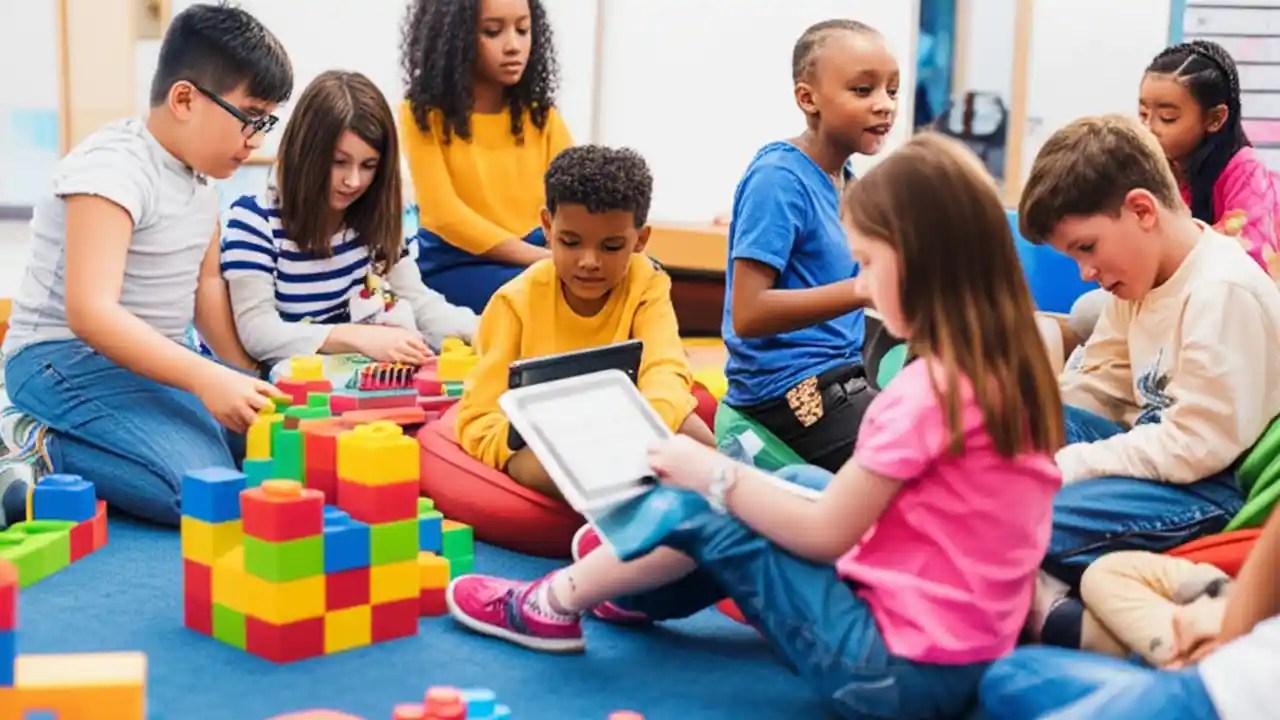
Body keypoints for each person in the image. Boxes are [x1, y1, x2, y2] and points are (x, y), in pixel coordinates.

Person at [446, 134, 1065, 719]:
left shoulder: (925, 393)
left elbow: (825, 535)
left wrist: (714, 476)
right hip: (966, 656)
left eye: (869, 264)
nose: (862, 288)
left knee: (713, 504)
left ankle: (549, 603)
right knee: (793, 478)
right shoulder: (1009, 362)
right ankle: (633, 586)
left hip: (890, 674)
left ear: (920, 264)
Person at [0, 3, 292, 525]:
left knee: (266, 443)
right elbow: (91, 314)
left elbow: (203, 285)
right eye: (250, 118)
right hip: (59, 360)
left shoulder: (202, 178)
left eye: (266, 122)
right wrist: (205, 380)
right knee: (204, 491)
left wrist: (241, 374)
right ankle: (31, 442)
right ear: (184, 98)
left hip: (144, 364)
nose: (257, 140)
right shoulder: (112, 168)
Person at [1015, 114, 1280, 648]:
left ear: (1141, 209)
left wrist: (1064, 466)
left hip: (1210, 482)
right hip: (1156, 452)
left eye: (1086, 248)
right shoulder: (1137, 280)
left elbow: (1196, 446)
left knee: (1024, 526)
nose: (1085, 274)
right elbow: (1098, 387)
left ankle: (1062, 614)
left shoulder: (1219, 290)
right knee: (1011, 421)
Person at [455, 145, 713, 501]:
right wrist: (512, 443)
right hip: (546, 434)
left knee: (697, 436)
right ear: (547, 227)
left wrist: (640, 434)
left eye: (610, 247)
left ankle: (728, 505)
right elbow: (480, 415)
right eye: (570, 242)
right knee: (558, 468)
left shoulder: (647, 282)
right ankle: (626, 512)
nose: (589, 261)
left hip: (628, 422)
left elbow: (666, 369)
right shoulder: (514, 301)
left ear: (640, 240)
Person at [719, 19, 896, 473]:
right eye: (863, 90)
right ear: (807, 98)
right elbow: (749, 312)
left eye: (891, 91)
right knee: (923, 469)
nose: (884, 105)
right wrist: (865, 289)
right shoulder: (779, 178)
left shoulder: (851, 187)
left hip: (846, 377)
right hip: (785, 393)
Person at [220, 70, 477, 377]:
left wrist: (484, 330)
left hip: (367, 375)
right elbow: (258, 331)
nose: (353, 181)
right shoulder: (255, 220)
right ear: (306, 152)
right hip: (302, 387)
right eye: (338, 162)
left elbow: (419, 301)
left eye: (368, 166)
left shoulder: (372, 218)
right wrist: (356, 337)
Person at [980, 508, 1280, 720]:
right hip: (1227, 655)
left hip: (1228, 692)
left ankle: (1066, 623)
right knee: (1009, 675)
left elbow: (1192, 448)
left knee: (1032, 530)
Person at [399, 0, 572, 314]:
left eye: (523, 29)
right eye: (493, 31)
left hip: (541, 256)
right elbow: (445, 216)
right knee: (546, 291)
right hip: (457, 263)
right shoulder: (422, 116)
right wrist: (552, 261)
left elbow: (575, 201)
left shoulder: (543, 117)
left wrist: (580, 256)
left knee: (641, 274)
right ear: (456, 37)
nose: (513, 46)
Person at [1142, 39, 1280, 270]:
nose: (1148, 127)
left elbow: (1248, 257)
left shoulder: (1245, 171)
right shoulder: (1158, 169)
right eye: (1143, 114)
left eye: (1167, 117)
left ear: (1215, 119)